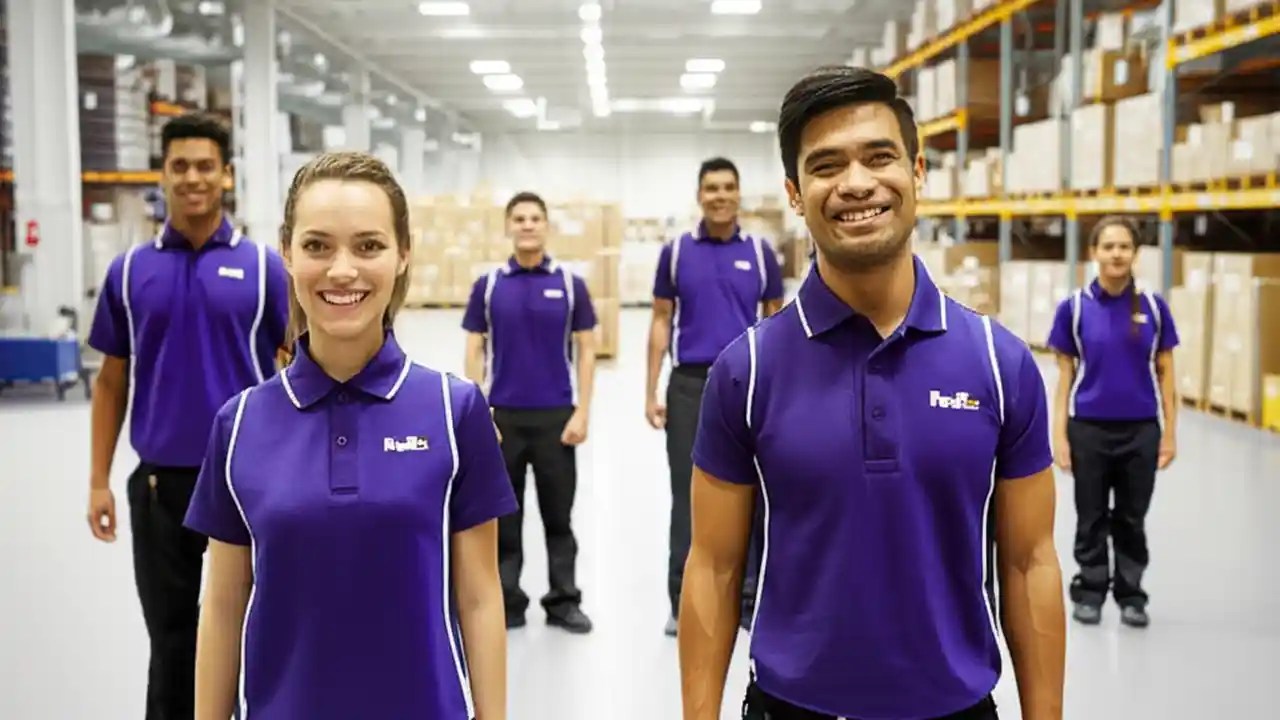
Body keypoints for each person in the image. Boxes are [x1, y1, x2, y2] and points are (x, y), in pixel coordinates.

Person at [678, 66, 1067, 720]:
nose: (856, 183)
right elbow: (713, 568)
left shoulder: (1000, 365)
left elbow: (1030, 564)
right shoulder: (745, 372)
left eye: (878, 157)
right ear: (796, 194)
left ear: (917, 171)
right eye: (826, 165)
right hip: (790, 709)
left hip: (957, 709)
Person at [183, 152, 516, 719]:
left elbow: (481, 598)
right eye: (317, 246)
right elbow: (222, 606)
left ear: (402, 253)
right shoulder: (238, 425)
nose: (342, 270)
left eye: (368, 246)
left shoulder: (454, 412)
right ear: (286, 253)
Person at [84, 111, 289, 719]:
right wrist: (99, 479)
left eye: (206, 166)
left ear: (226, 175)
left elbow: (297, 369)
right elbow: (111, 380)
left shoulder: (264, 270)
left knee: (260, 633)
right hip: (160, 486)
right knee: (172, 642)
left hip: (248, 483)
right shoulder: (128, 273)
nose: (193, 178)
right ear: (163, 175)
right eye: (180, 166)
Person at [646, 157, 785, 637]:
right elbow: (661, 320)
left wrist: (780, 386)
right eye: (711, 188)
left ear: (738, 193)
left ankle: (747, 598)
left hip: (750, 386)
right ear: (699, 195)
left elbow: (775, 320)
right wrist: (651, 390)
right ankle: (682, 601)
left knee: (753, 493)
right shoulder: (677, 253)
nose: (720, 195)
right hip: (689, 384)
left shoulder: (763, 253)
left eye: (728, 187)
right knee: (689, 493)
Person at [462, 191, 598, 634]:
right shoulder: (489, 285)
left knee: (559, 517)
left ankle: (563, 600)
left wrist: (582, 412)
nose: (527, 225)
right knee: (506, 516)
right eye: (518, 218)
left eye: (535, 218)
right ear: (508, 226)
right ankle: (508, 601)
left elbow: (587, 349)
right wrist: (480, 410)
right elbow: (475, 346)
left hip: (557, 418)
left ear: (546, 226)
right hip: (503, 419)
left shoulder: (570, 283)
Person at [1047, 215, 1179, 629]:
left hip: (1141, 430)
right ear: (1094, 253)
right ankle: (1089, 590)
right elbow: (1064, 378)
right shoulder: (1074, 308)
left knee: (1130, 518)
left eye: (1124, 246)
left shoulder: (1154, 307)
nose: (1116, 254)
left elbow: (1167, 372)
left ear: (1135, 253)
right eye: (1108, 246)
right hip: (1088, 430)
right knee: (1090, 517)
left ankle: (1131, 594)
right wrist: (1059, 436)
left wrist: (1170, 433)